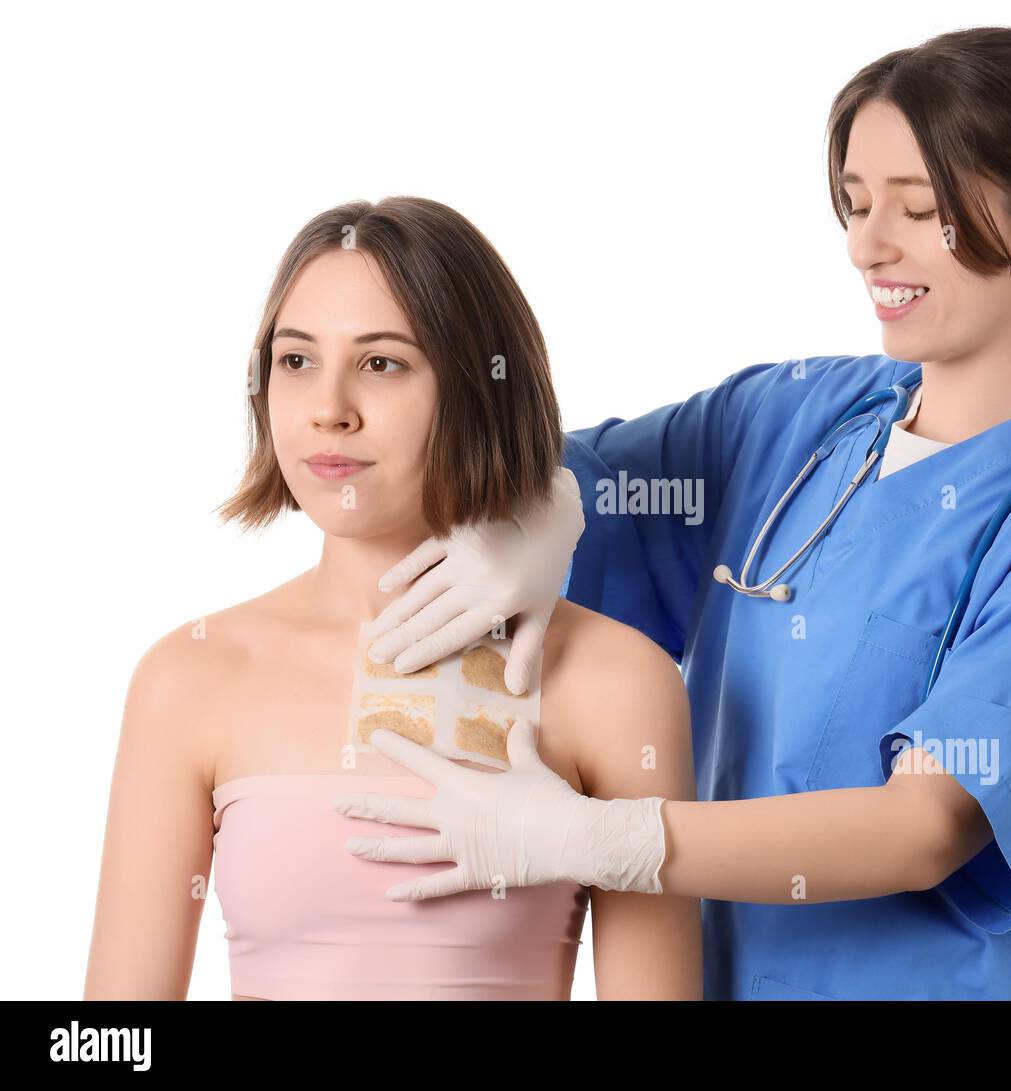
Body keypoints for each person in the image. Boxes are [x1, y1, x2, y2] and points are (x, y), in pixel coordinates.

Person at [345, 27, 1011, 1001]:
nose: (865, 246)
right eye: (856, 203)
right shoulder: (798, 417)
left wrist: (603, 838)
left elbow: (926, 825)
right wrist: (549, 505)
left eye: (919, 210)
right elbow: (555, 468)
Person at [84, 196, 701, 1001]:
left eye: (382, 362)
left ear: (480, 391)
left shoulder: (613, 681)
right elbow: (106, 1038)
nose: (328, 408)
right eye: (296, 360)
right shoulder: (190, 675)